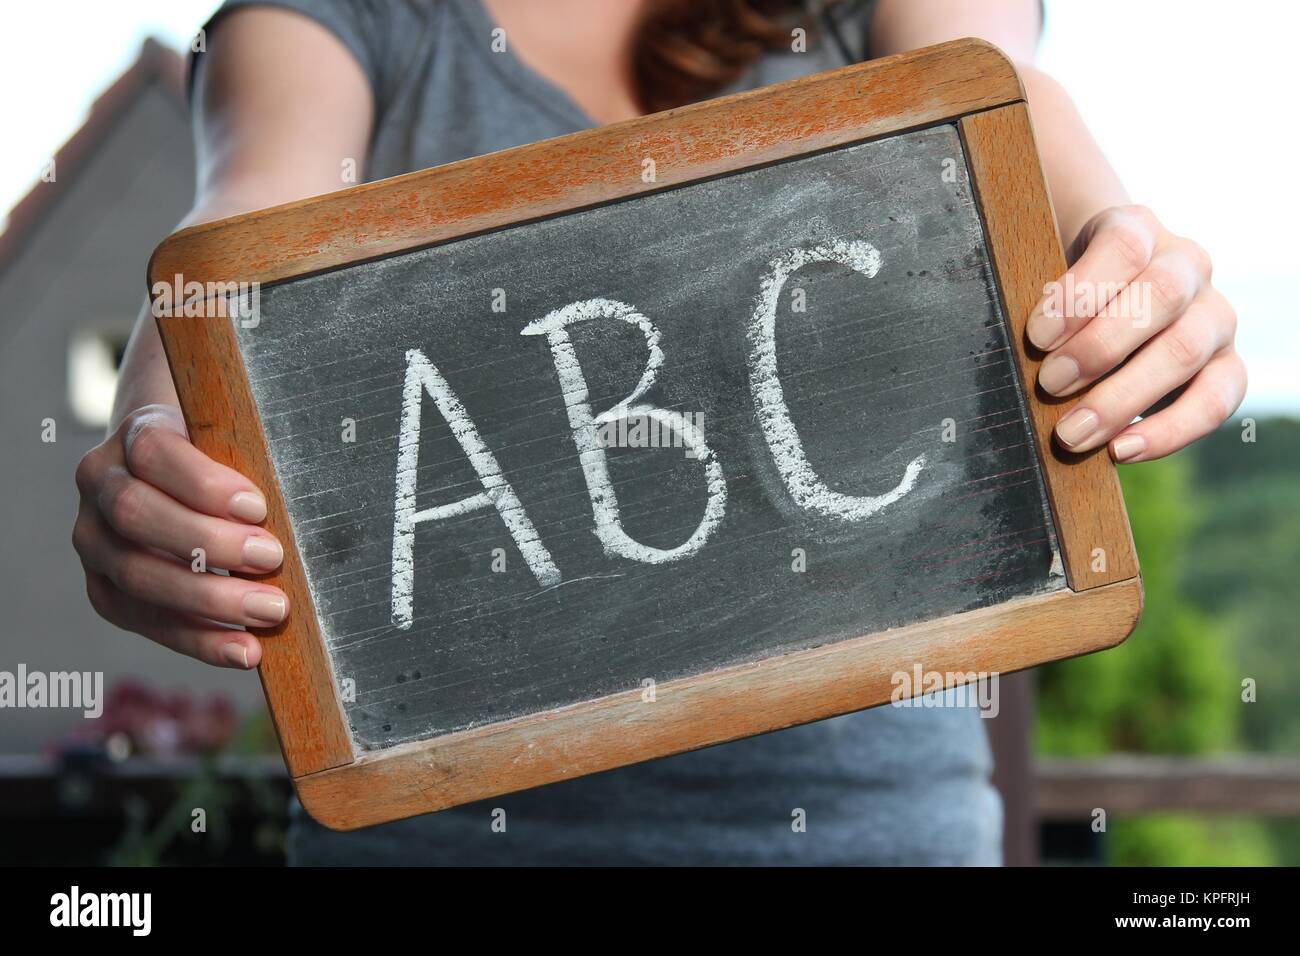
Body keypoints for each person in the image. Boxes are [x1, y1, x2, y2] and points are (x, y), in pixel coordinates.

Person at [72, 0, 1246, 865]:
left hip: (869, 839)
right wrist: (160, 434)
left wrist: (1125, 250)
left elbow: (1006, 98)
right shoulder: (364, 19)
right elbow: (238, 225)